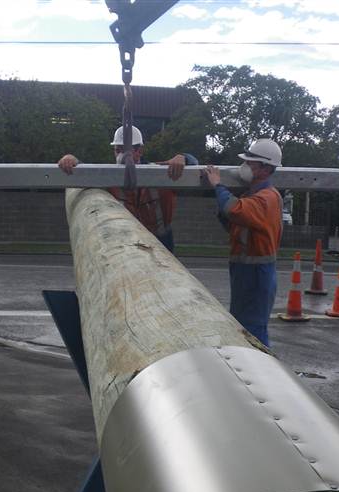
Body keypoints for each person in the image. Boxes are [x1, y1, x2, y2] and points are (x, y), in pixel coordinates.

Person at [57, 126, 197, 252]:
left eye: (126, 150)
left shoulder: (158, 174)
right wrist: (71, 160)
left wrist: (184, 158)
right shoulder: (109, 178)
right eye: (118, 150)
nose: (121, 156)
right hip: (125, 246)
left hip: (161, 244)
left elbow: (194, 167)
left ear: (140, 151)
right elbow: (87, 174)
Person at [203, 138, 284, 347]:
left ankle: (261, 374)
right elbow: (236, 225)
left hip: (256, 275)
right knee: (242, 327)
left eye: (250, 162)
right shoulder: (254, 195)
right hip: (247, 272)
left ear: (265, 168)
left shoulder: (266, 198)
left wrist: (218, 186)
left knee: (253, 331)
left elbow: (234, 209)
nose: (245, 166)